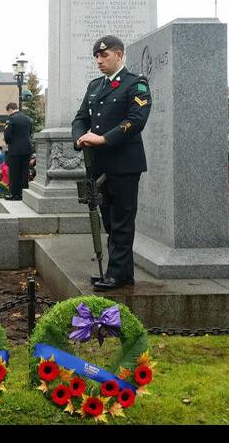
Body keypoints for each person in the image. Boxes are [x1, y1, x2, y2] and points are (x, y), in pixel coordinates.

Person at [72, 35, 152, 291]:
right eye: (96, 56)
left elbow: (136, 119)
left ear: (119, 54)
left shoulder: (135, 84)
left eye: (104, 55)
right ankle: (120, 272)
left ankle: (117, 274)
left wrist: (104, 138)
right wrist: (80, 139)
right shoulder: (95, 86)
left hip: (125, 164)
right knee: (108, 219)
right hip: (100, 166)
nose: (99, 60)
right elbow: (80, 118)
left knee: (122, 220)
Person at [3, 102, 34, 200]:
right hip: (27, 149)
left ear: (10, 110)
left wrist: (9, 142)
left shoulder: (11, 119)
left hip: (15, 150)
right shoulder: (28, 119)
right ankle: (23, 194)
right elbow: (30, 133)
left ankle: (13, 194)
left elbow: (7, 136)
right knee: (24, 172)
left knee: (14, 172)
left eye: (8, 112)